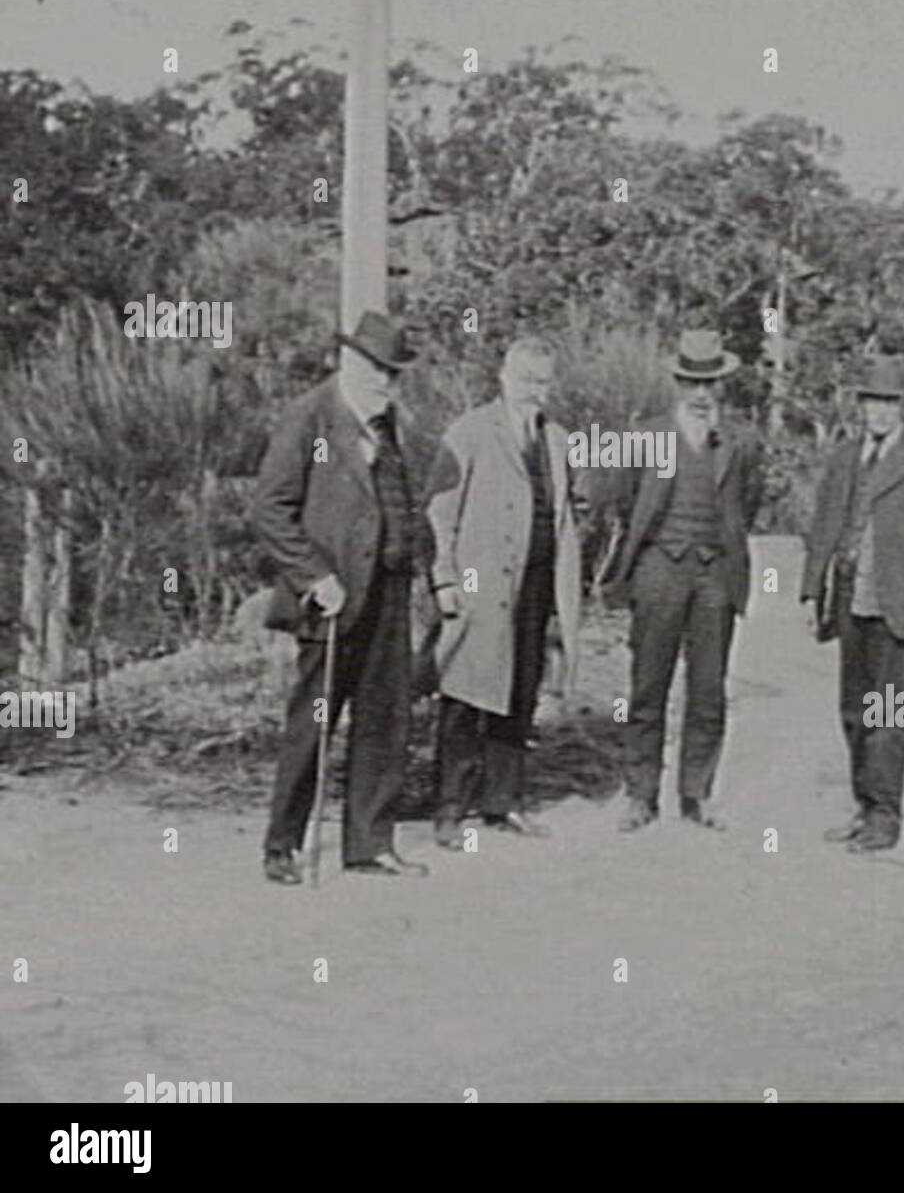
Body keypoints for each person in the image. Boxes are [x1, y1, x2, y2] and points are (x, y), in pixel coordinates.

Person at [253, 311, 434, 884]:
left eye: (394, 372)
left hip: (388, 592)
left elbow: (399, 503)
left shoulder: (388, 424)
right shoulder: (310, 416)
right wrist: (314, 577)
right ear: (350, 362)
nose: (387, 382)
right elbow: (270, 511)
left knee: (385, 721)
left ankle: (370, 844)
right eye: (378, 369)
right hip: (330, 599)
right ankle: (282, 847)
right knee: (313, 722)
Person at [799, 354, 904, 852]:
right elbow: (824, 527)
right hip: (850, 600)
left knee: (888, 715)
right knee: (854, 710)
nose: (878, 411)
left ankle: (886, 816)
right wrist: (812, 592)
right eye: (871, 400)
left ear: (902, 406)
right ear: (861, 404)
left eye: (888, 402)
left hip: (899, 603)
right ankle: (863, 804)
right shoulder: (846, 456)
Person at [598, 329, 764, 832]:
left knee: (709, 690)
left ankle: (697, 794)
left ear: (721, 386)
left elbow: (747, 506)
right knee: (647, 687)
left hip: (715, 575)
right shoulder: (644, 436)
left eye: (710, 383)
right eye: (692, 382)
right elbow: (623, 504)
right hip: (659, 572)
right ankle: (640, 794)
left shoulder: (741, 442)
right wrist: (643, 561)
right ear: (677, 383)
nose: (701, 394)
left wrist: (720, 550)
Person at [426, 336, 581, 848]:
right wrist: (445, 579)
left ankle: (504, 801)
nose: (534, 391)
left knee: (519, 693)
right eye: (525, 380)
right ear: (503, 377)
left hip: (534, 589)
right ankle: (449, 807)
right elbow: (439, 513)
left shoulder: (557, 440)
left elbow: (563, 517)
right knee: (464, 697)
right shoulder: (469, 432)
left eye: (543, 381)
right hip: (479, 588)